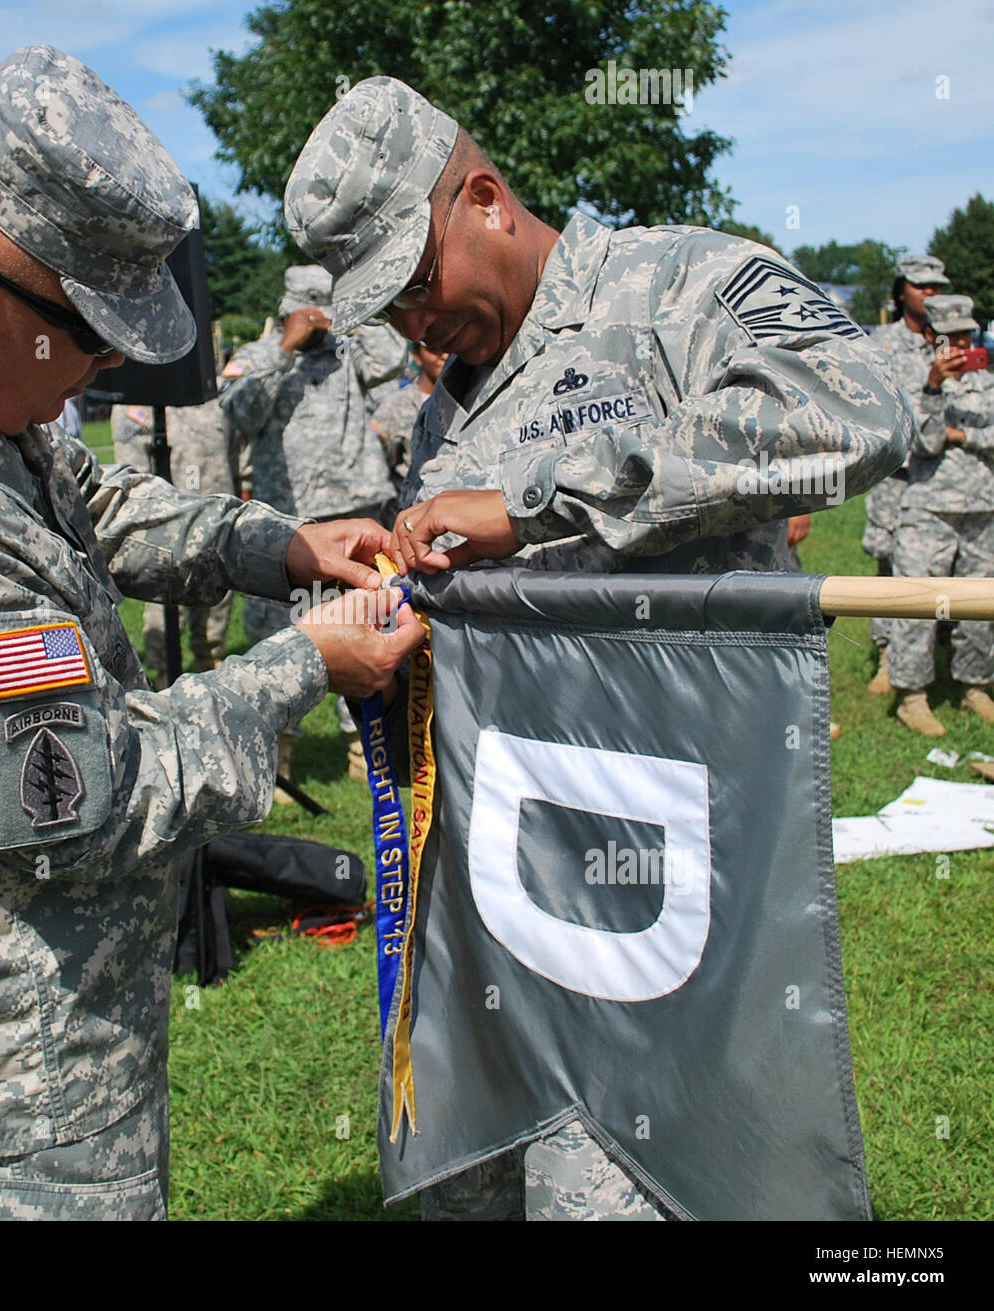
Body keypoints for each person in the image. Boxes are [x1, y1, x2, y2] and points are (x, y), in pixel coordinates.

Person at [0, 47, 423, 1222]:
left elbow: (86, 505)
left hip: (15, 1002)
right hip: (10, 1070)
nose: (105, 372)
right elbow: (87, 806)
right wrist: (305, 661)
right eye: (94, 339)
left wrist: (280, 547)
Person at [284, 76, 911, 1221]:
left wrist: (530, 501)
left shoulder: (679, 283)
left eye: (416, 285)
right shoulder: (449, 396)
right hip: (492, 891)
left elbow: (858, 411)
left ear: (482, 198)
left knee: (624, 1190)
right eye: (385, 311)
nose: (413, 328)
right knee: (476, 1182)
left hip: (657, 891)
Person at [220, 264, 407, 789]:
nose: (317, 322)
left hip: (358, 512)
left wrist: (355, 316)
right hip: (289, 526)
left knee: (367, 626)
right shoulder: (261, 357)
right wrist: (284, 348)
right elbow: (236, 414)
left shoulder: (349, 353)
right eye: (310, 311)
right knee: (276, 635)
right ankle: (277, 764)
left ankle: (366, 752)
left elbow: (394, 357)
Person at [887, 293, 994, 735]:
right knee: (916, 601)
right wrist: (932, 390)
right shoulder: (914, 382)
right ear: (931, 336)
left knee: (980, 605)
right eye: (951, 337)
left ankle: (975, 686)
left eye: (967, 335)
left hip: (984, 507)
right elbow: (922, 443)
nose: (961, 346)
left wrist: (961, 433)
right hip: (928, 506)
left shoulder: (987, 380)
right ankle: (911, 697)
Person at [864, 255, 951, 695]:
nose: (931, 293)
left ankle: (937, 650)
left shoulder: (953, 339)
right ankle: (886, 653)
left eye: (938, 286)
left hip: (946, 475)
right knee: (890, 561)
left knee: (939, 565)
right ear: (902, 292)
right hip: (901, 474)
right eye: (922, 286)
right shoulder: (883, 343)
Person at [112, 391, 237, 683]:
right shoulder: (134, 405)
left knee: (215, 614)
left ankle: (211, 674)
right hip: (166, 534)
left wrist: (245, 484)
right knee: (165, 614)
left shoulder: (213, 393)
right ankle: (164, 679)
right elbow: (130, 475)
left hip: (218, 524)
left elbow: (235, 449)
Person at [369, 341, 450, 494]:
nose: (444, 356)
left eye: (448, 348)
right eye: (433, 349)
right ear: (417, 357)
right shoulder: (397, 405)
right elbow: (378, 459)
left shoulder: (472, 397)